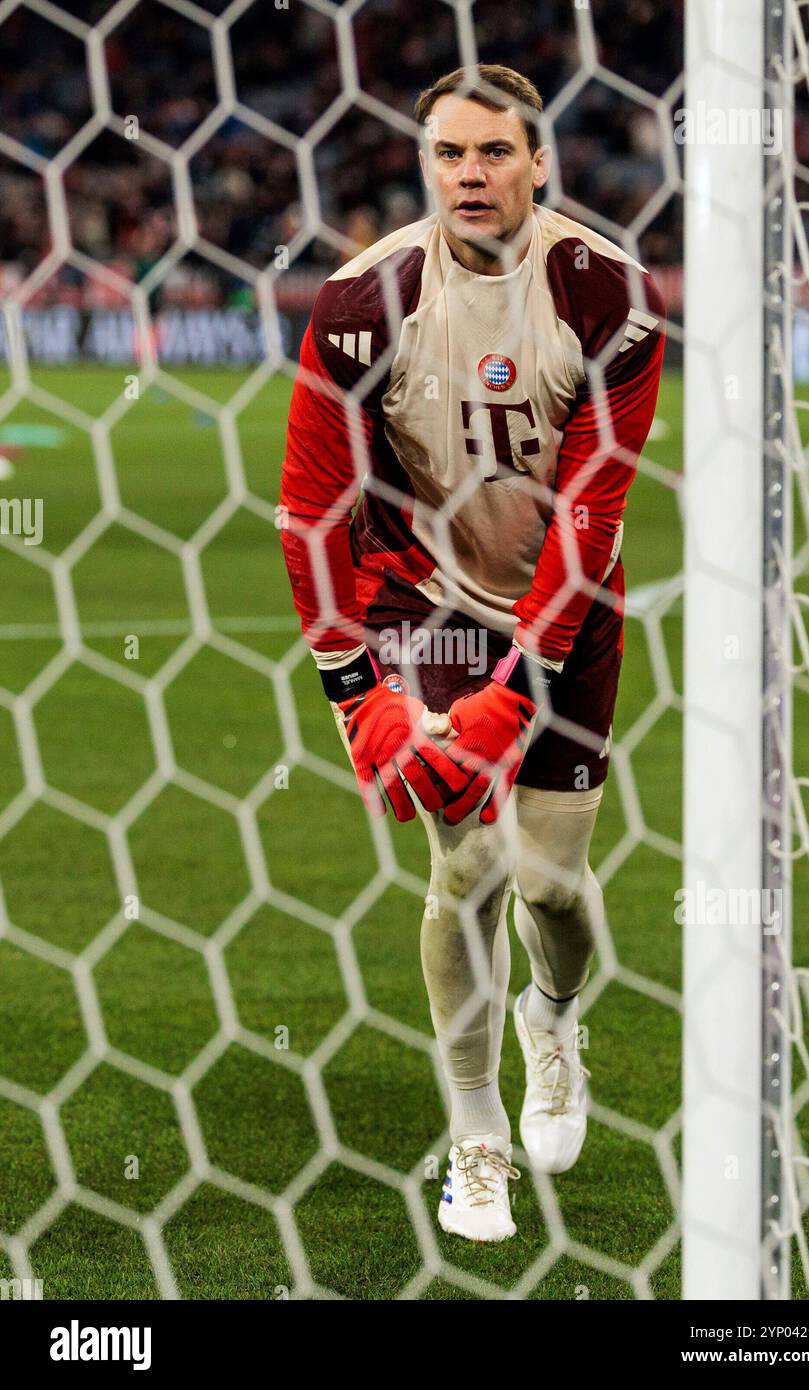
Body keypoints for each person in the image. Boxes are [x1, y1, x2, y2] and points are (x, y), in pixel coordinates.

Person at [278, 63, 665, 1242]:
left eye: (493, 152)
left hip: (565, 604)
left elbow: (593, 521)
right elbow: (308, 513)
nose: (469, 175)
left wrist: (516, 697)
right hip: (426, 602)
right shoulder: (362, 299)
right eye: (448, 154)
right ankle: (474, 1134)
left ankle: (553, 1020)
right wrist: (359, 696)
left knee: (550, 883)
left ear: (536, 162)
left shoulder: (607, 296)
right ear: (424, 164)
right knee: (467, 871)